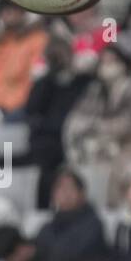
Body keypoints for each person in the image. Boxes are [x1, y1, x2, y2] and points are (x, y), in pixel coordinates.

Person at [63, 44, 131, 206]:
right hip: (115, 140)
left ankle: (114, 207)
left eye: (112, 60)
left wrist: (100, 128)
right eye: (104, 61)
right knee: (85, 155)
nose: (108, 65)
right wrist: (84, 127)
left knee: (119, 162)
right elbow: (80, 115)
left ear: (123, 62)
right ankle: (88, 204)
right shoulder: (97, 89)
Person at [22, 35, 94, 208]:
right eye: (54, 56)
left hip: (77, 137)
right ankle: (44, 209)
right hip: (47, 143)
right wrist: (49, 76)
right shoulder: (44, 84)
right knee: (41, 167)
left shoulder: (83, 82)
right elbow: (31, 109)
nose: (59, 59)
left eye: (62, 54)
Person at [33, 167, 106, 261]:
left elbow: (72, 256)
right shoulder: (47, 228)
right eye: (59, 188)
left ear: (82, 194)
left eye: (70, 188)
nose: (64, 193)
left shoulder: (93, 225)